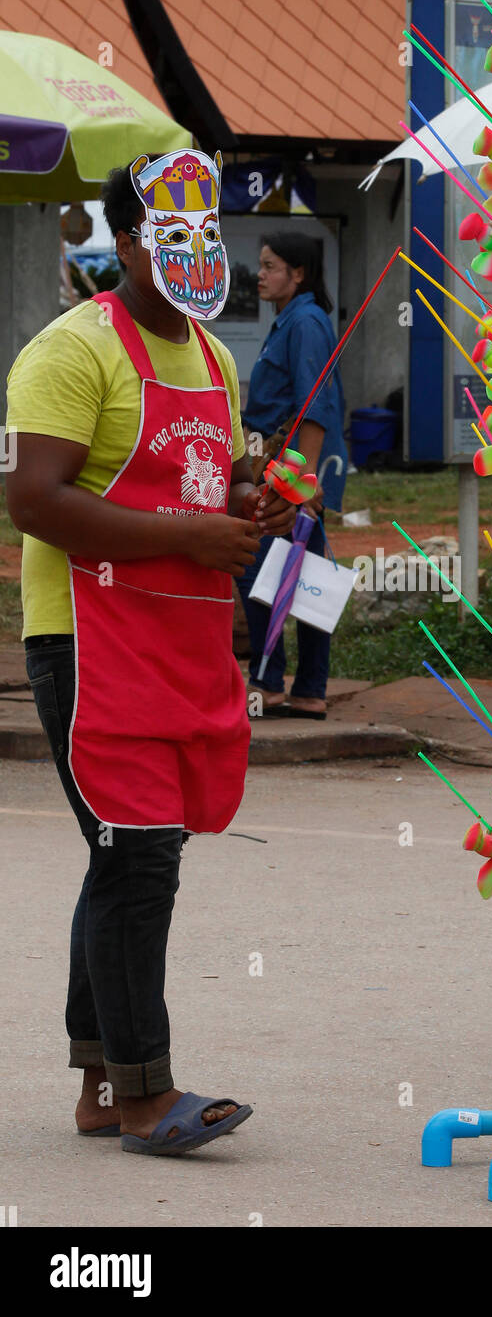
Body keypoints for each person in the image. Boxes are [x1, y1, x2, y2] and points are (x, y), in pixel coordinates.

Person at [5, 150, 295, 1154]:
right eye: (169, 233)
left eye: (207, 230)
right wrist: (186, 533)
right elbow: (33, 500)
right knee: (139, 857)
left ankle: (99, 1079)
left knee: (121, 855)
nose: (195, 249)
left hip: (178, 638)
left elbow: (223, 471)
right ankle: (143, 1095)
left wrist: (253, 493)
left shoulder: (212, 357)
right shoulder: (69, 349)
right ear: (122, 239)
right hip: (86, 640)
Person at [238, 232, 348, 719]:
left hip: (292, 472)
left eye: (270, 266)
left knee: (257, 569)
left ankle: (271, 682)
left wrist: (303, 484)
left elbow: (314, 405)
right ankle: (306, 690)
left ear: (298, 273)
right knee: (303, 573)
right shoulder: (293, 319)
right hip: (282, 467)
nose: (260, 274)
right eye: (261, 266)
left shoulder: (305, 321)